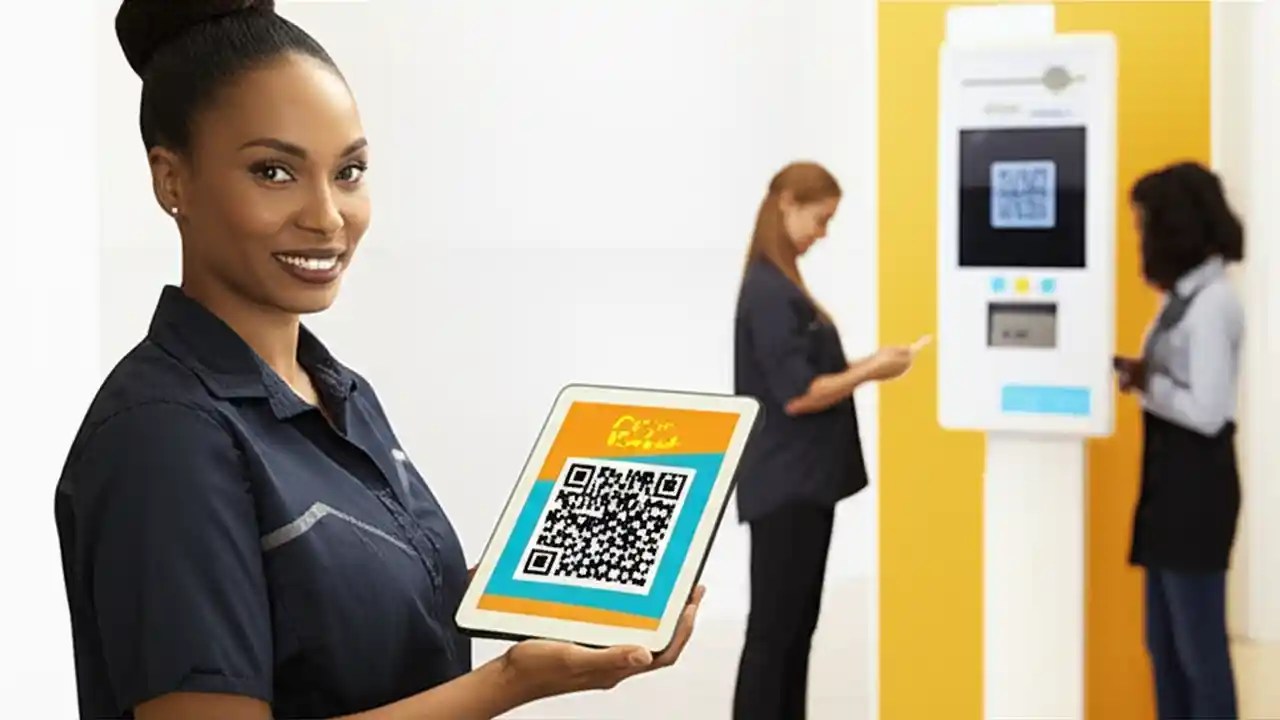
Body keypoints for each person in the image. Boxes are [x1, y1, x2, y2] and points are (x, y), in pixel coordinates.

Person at [53, 3, 702, 719]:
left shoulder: (337, 391)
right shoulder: (164, 436)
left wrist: (561, 591)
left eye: (350, 171)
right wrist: (512, 680)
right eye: (274, 171)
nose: (328, 216)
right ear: (172, 180)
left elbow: (353, 604)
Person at [730, 162, 913, 720]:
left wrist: (867, 366)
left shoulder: (783, 285)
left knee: (794, 629)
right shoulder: (768, 290)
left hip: (803, 484)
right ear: (788, 203)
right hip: (785, 485)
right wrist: (871, 369)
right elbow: (799, 392)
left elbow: (807, 377)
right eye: (822, 218)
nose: (823, 233)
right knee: (774, 633)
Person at [1114, 161, 1244, 720]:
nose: (1140, 236)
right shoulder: (1183, 297)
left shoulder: (1213, 304)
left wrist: (1147, 383)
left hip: (1196, 489)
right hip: (1169, 487)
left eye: (1145, 223)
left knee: (1199, 653)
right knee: (1163, 647)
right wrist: (1142, 377)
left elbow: (1209, 411)